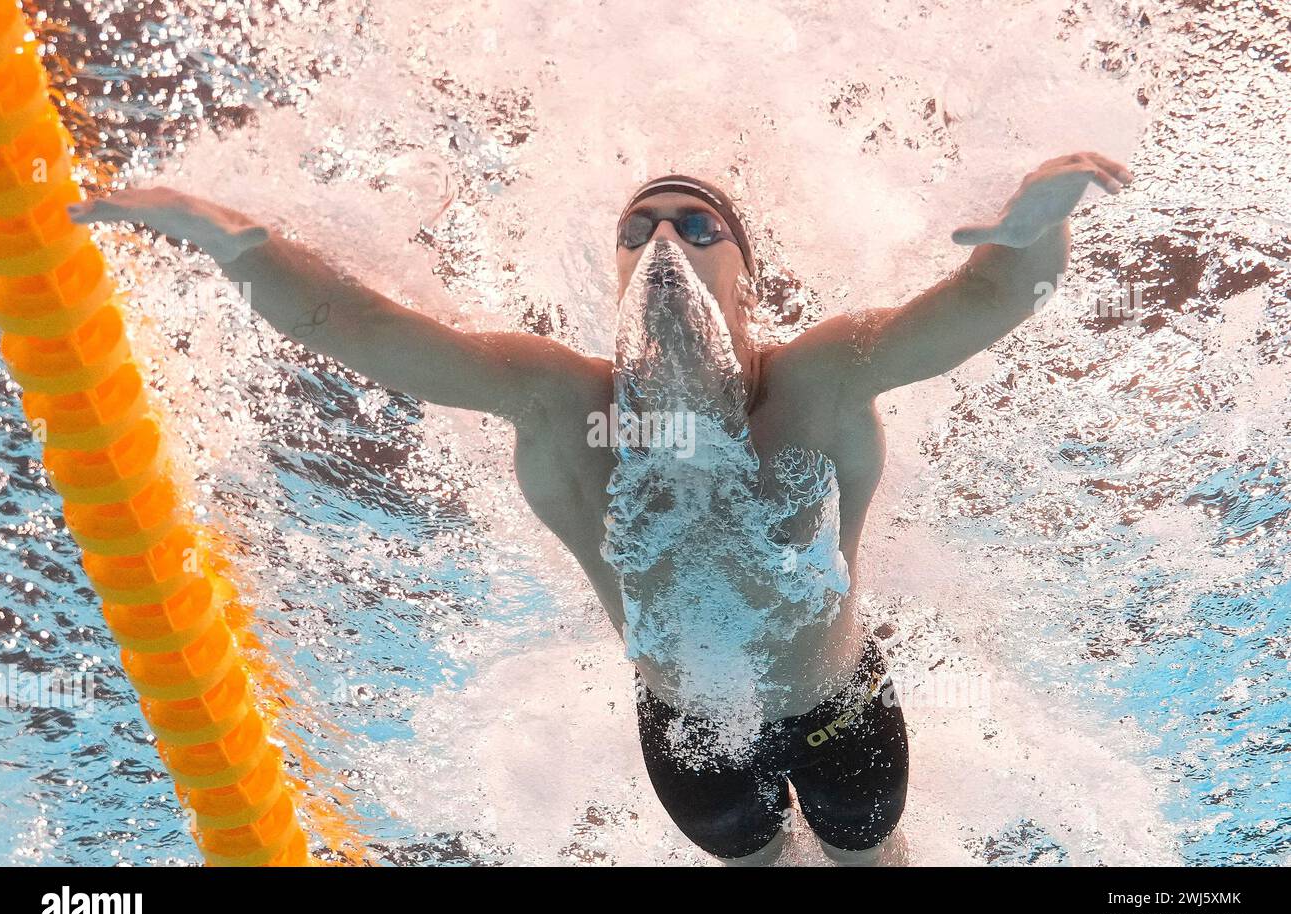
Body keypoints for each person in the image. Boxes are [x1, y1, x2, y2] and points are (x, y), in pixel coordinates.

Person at [68, 151, 1132, 865]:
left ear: (747, 277)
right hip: (688, 740)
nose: (664, 236)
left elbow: (984, 302)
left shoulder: (824, 378)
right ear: (616, 268)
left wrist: (1036, 222)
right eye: (640, 227)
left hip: (839, 707)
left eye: (695, 222)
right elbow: (360, 324)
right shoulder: (557, 394)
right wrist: (229, 236)